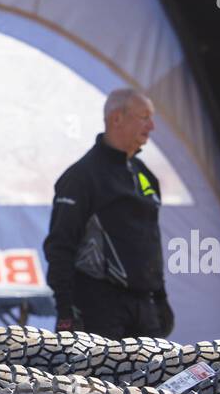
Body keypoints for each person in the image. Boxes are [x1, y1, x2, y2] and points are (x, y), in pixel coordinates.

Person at [43, 88, 174, 339]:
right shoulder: (81, 176)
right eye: (144, 117)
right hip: (98, 308)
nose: (152, 126)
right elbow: (59, 246)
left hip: (145, 307)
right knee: (99, 380)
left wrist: (160, 298)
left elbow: (151, 243)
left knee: (152, 379)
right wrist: (66, 311)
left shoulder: (144, 174)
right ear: (117, 118)